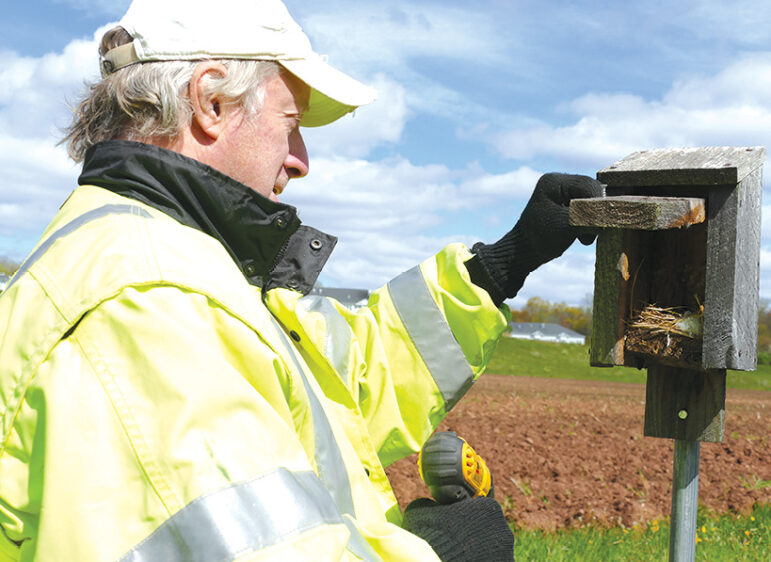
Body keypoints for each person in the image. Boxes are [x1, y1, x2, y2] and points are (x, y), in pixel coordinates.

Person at [0, 1, 602, 560]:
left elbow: (347, 381)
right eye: (290, 123)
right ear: (210, 102)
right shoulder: (150, 308)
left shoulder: (187, 267)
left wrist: (503, 266)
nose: (301, 159)